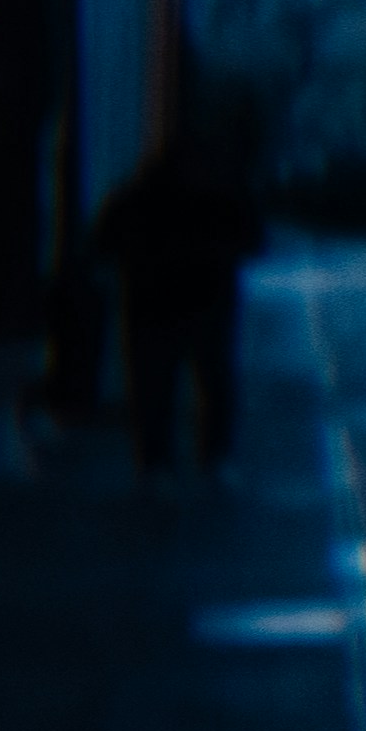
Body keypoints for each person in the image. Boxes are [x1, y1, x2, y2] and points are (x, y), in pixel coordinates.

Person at [114, 50, 266, 481]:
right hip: (202, 299)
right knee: (210, 382)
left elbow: (108, 235)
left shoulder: (148, 187)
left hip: (157, 301)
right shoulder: (221, 187)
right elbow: (252, 239)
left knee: (158, 386)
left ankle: (159, 462)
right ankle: (209, 459)